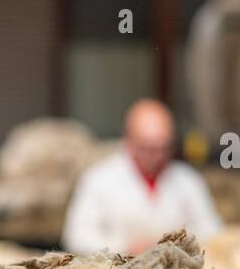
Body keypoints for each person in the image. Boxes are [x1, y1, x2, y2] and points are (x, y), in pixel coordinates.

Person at [62, 99, 222, 255]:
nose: (157, 157)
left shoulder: (188, 180)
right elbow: (77, 237)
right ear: (128, 141)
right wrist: (124, 249)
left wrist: (177, 250)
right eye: (148, 149)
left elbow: (212, 232)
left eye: (164, 148)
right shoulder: (98, 180)